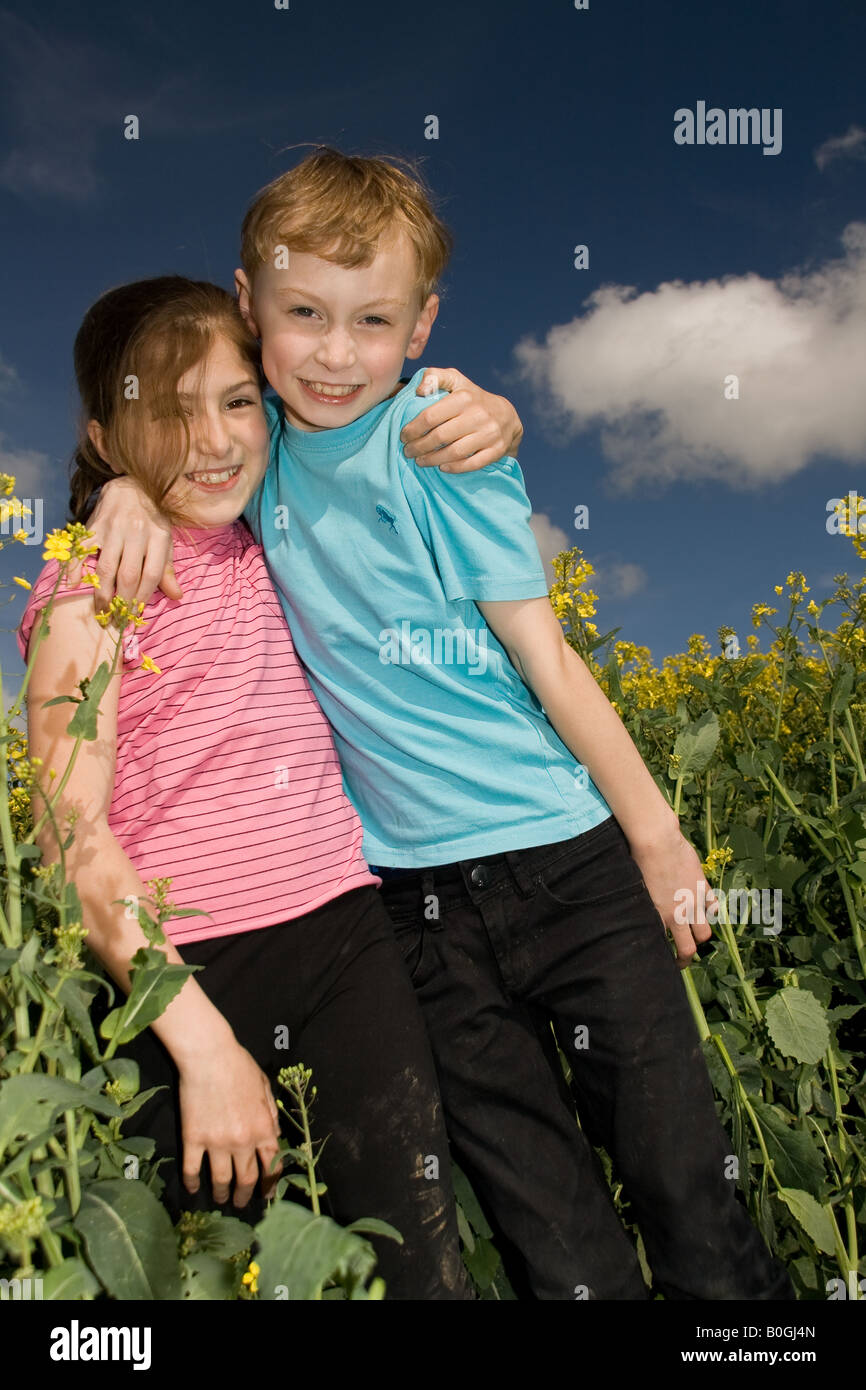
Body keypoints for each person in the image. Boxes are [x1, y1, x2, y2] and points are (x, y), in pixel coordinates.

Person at [88, 148, 795, 1301]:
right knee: (544, 1224)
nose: (332, 351)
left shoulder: (437, 444)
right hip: (411, 913)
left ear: (420, 329)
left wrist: (657, 839)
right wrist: (113, 488)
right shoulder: (249, 452)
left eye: (371, 321)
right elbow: (174, 445)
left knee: (680, 1180)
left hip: (564, 866)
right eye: (302, 313)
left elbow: (548, 659)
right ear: (247, 305)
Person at [19, 274, 522, 1299]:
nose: (211, 438)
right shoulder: (94, 582)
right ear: (105, 438)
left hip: (345, 937)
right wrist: (201, 1044)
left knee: (416, 1262)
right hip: (177, 974)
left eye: (236, 399)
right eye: (164, 410)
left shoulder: (282, 533)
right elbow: (68, 833)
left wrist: (486, 410)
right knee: (213, 1271)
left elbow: (359, 406)